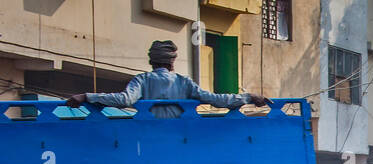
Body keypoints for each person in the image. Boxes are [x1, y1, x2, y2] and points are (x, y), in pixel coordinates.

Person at [65, 40, 269, 116]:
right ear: (172, 63)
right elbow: (217, 100)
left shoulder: (142, 80)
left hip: (147, 136)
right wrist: (249, 97)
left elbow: (124, 100)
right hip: (181, 136)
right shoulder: (184, 82)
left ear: (152, 62)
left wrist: (87, 96)